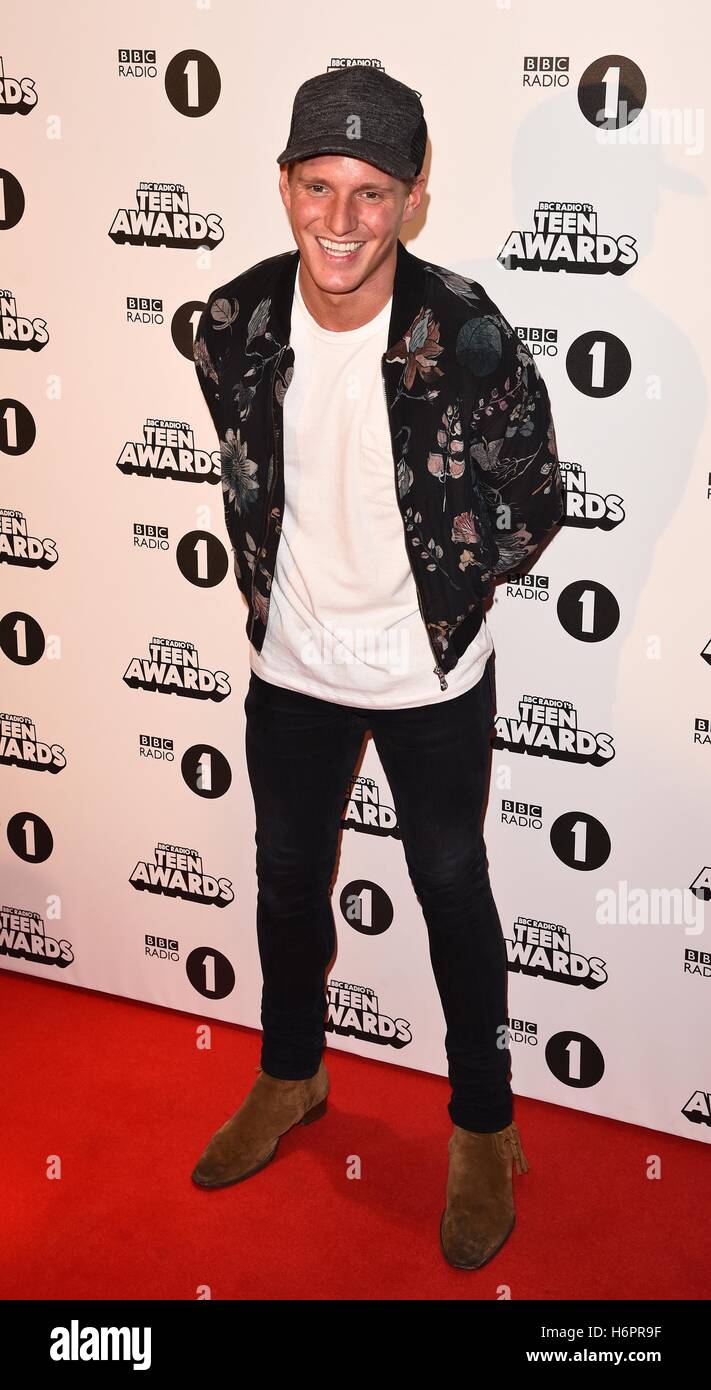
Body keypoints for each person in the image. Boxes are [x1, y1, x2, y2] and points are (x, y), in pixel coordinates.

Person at [190, 65, 564, 1270]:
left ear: (412, 199)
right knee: (287, 880)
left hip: (430, 677)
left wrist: (439, 587)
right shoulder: (236, 322)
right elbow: (252, 466)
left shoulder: (465, 332)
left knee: (454, 889)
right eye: (318, 187)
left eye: (371, 193)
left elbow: (537, 495)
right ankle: (290, 1072)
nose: (340, 221)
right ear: (286, 186)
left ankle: (482, 1120)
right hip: (291, 665)